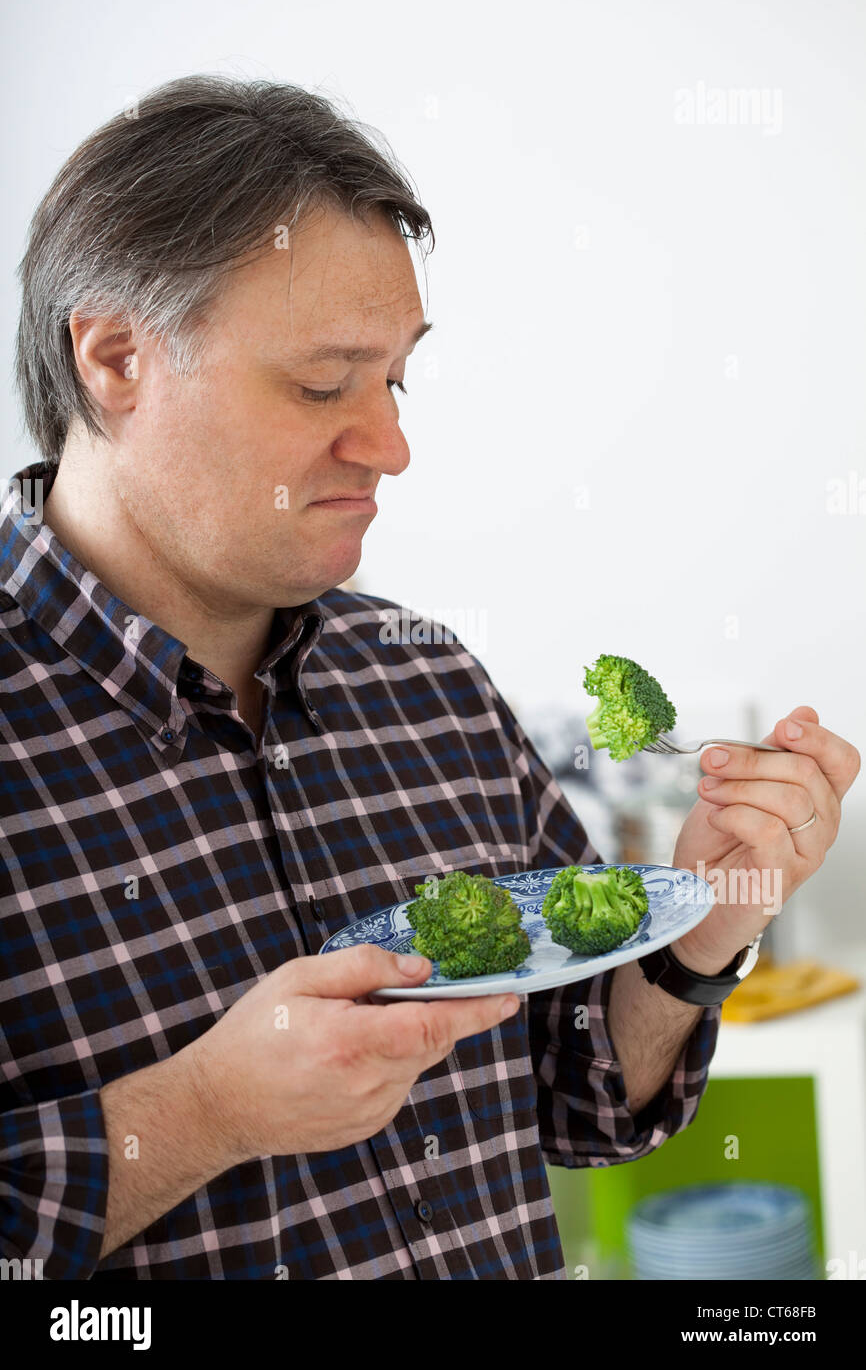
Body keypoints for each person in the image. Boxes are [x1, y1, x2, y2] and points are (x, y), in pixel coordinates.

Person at [0, 75, 858, 1281]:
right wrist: (206, 1111)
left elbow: (585, 1101)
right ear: (114, 358)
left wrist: (704, 926)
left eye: (394, 381)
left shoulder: (428, 678)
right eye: (320, 384)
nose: (390, 446)